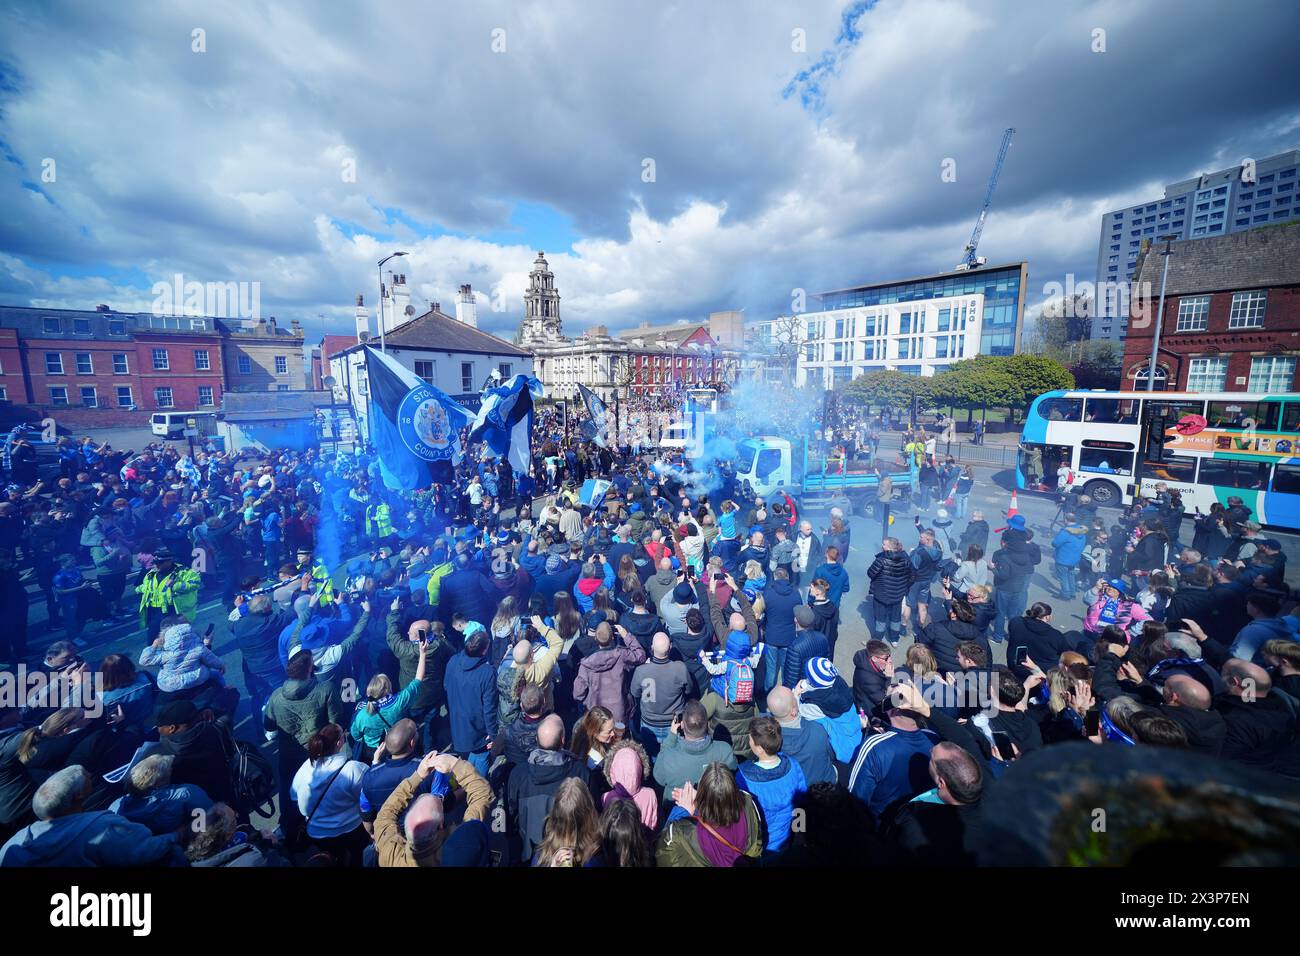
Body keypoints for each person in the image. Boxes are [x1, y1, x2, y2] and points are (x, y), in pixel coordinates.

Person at [1, 765, 186, 867]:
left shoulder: (14, 843)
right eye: (85, 775)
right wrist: (178, 834)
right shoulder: (103, 825)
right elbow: (146, 851)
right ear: (79, 795)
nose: (89, 773)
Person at [373, 749, 493, 867]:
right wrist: (455, 764)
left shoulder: (391, 857)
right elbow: (482, 795)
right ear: (441, 825)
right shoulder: (462, 851)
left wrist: (418, 775)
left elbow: (385, 816)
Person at [505, 713, 590, 864]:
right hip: (568, 852)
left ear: (536, 740)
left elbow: (511, 812)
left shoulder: (518, 774)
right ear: (563, 740)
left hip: (529, 849)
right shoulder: (580, 772)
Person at [655, 762, 764, 867]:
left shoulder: (678, 831)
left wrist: (683, 811)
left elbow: (664, 854)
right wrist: (699, 806)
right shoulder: (748, 804)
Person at [291, 723, 370, 866]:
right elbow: (368, 796)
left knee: (330, 860)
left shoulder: (306, 767)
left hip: (316, 832)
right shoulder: (353, 769)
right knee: (357, 858)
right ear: (339, 742)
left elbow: (294, 796)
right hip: (350, 829)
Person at [735, 716, 806, 856]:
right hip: (786, 838)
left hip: (759, 845)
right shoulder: (793, 765)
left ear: (760, 748)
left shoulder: (743, 777)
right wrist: (800, 833)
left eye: (750, 738)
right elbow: (802, 801)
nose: (748, 740)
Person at [867, 537, 913, 646]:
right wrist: (903, 588)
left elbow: (870, 573)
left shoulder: (881, 560)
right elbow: (912, 576)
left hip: (881, 596)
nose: (882, 546)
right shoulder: (906, 559)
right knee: (895, 618)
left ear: (889, 547)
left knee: (880, 619)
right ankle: (894, 639)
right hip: (897, 596)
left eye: (884, 544)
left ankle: (877, 641)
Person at [1051, 514, 1089, 601]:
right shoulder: (1081, 531)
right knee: (1071, 576)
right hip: (1075, 558)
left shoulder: (1066, 532)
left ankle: (1065, 595)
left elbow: (1055, 543)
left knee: (1063, 577)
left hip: (1063, 558)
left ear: (1065, 520)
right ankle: (1072, 593)